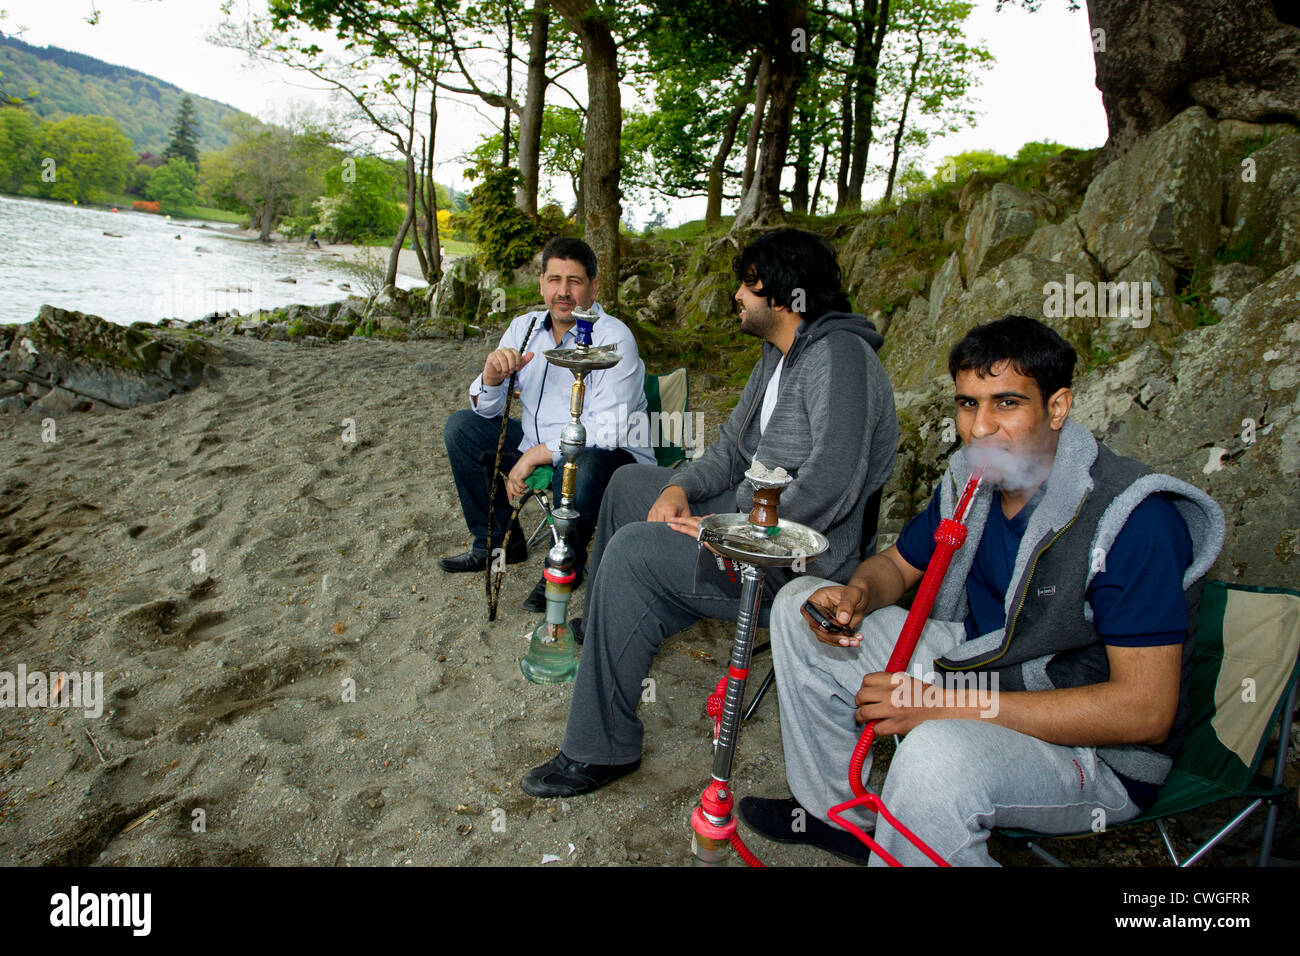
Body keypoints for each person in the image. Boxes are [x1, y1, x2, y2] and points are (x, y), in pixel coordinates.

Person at [739, 315, 1225, 865]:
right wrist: (856, 595)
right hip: (981, 665)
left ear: (1058, 407)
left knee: (933, 756)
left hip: (1091, 746)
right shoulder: (971, 483)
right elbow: (897, 567)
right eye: (969, 404)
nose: (980, 428)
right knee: (796, 601)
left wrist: (942, 709)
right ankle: (844, 821)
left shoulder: (1133, 520)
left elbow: (1144, 711)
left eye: (1007, 403)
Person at [521, 227, 899, 798]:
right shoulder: (779, 355)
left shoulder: (840, 358)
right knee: (628, 483)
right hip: (753, 517)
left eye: (745, 284)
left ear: (778, 290)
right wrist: (681, 489)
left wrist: (731, 530)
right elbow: (729, 450)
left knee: (631, 553)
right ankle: (603, 625)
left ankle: (601, 748)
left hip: (797, 558)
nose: (736, 297)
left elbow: (833, 484)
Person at [440, 236, 655, 612]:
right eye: (554, 280)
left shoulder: (614, 337)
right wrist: (490, 378)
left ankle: (562, 566)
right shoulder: (524, 328)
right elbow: (488, 412)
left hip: (610, 459)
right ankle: (497, 544)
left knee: (580, 461)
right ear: (541, 283)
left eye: (574, 281)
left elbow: (609, 431)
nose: (563, 291)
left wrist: (536, 455)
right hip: (536, 446)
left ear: (594, 286)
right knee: (462, 428)